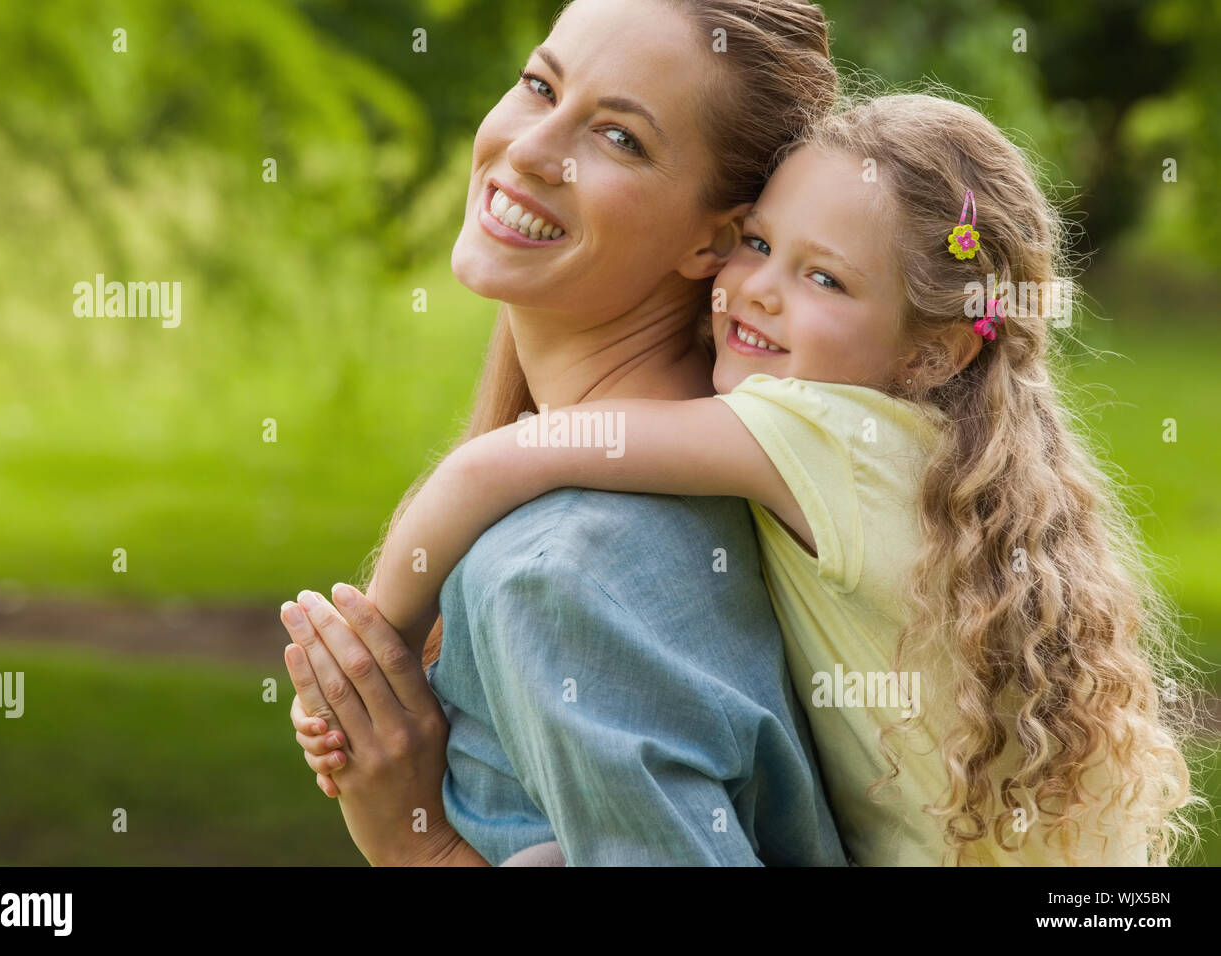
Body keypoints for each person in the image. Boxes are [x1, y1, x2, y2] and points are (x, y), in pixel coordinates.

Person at [309, 93, 1200, 866]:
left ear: (932, 352)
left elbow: (516, 455)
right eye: (759, 242)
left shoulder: (838, 436)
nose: (760, 290)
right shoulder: (926, 459)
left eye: (824, 278)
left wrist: (362, 663)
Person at [280, 0, 849, 865]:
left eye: (620, 139)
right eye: (540, 85)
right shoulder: (742, 471)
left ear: (718, 240)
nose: (533, 149)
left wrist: (414, 845)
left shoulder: (565, 575)